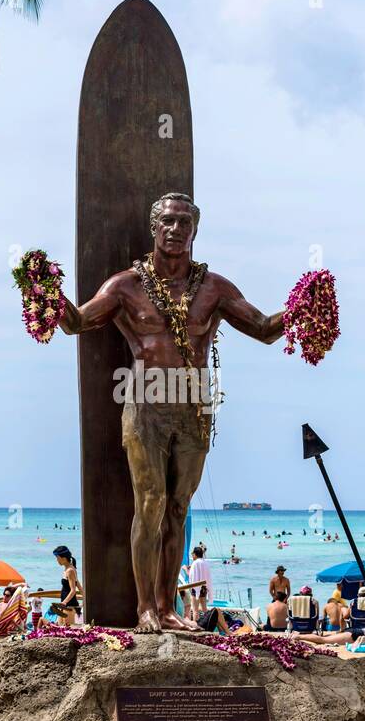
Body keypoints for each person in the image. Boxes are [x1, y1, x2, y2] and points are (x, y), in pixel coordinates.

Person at [57, 192, 284, 633]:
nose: (176, 229)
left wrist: (305, 308)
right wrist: (43, 289)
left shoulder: (214, 288)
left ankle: (166, 608)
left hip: (194, 406)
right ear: (153, 228)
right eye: (168, 221)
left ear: (195, 230)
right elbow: (78, 323)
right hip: (144, 404)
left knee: (178, 508)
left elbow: (263, 329)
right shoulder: (126, 286)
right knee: (151, 503)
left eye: (184, 222)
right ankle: (144, 609)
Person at [53, 546, 81, 625]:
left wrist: (64, 603)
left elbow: (73, 590)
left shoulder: (70, 570)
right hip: (65, 604)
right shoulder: (68, 568)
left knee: (68, 630)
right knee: (61, 628)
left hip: (69, 605)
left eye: (57, 558)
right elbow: (77, 583)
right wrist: (85, 597)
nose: (57, 560)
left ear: (64, 558)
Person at [188, 545, 214, 622]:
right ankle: (208, 623)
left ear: (195, 554)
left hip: (196, 587)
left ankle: (196, 626)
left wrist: (186, 569)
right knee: (204, 609)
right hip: (204, 587)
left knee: (195, 610)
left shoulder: (195, 563)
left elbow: (192, 577)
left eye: (192, 554)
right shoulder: (205, 562)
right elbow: (208, 576)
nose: (192, 555)